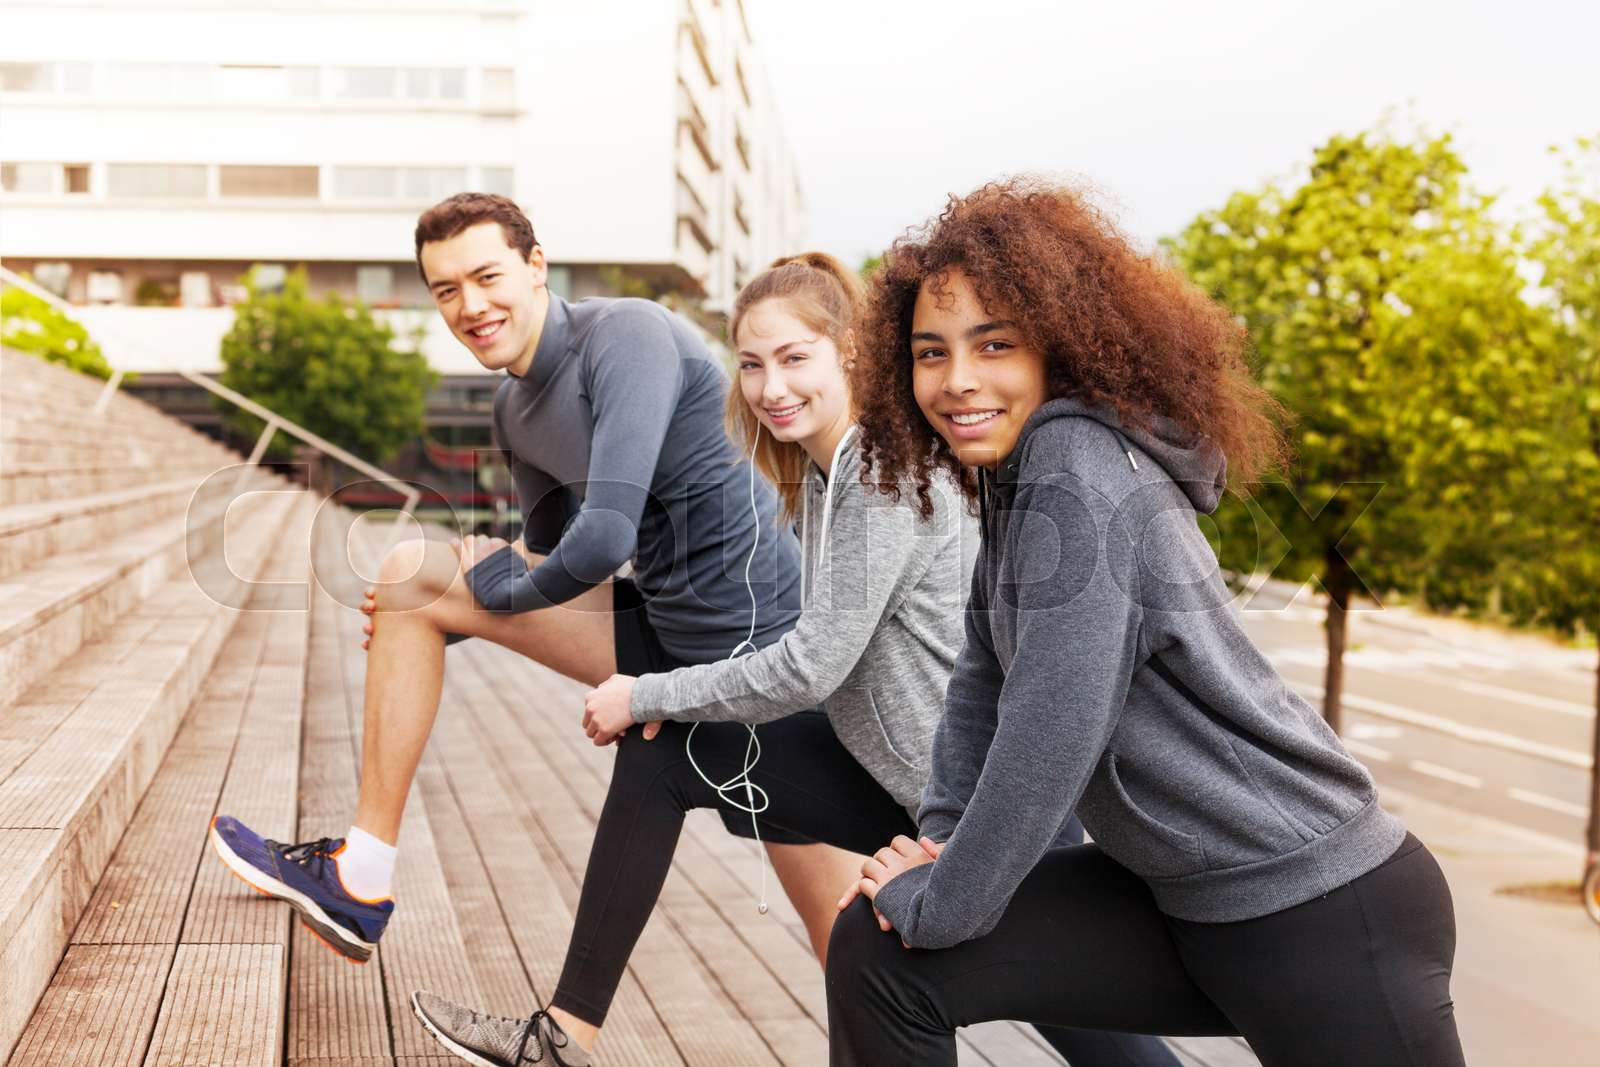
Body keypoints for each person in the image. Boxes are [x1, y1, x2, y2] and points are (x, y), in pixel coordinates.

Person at [409, 253, 1182, 1067]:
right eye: (751, 365)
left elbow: (811, 665)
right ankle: (564, 1036)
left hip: (979, 801)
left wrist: (648, 691)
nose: (771, 387)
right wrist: (472, 619)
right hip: (895, 776)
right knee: (669, 760)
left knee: (1097, 1038)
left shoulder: (885, 473)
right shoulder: (825, 475)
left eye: (793, 358)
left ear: (846, 352)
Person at [824, 178, 1466, 1067]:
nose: (957, 379)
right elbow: (982, 679)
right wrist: (942, 841)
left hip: (1319, 908)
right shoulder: (1012, 480)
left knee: (906, 930)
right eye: (931, 353)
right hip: (1184, 903)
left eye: (994, 344)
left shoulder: (1075, 462)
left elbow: (1054, 721)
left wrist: (948, 898)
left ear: (1059, 347)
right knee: (880, 950)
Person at [206, 193, 860, 970]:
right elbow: (548, 548)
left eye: (486, 276)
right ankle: (361, 874)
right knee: (414, 574)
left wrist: (487, 593)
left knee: (853, 948)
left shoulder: (628, 336)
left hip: (759, 656)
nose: (471, 305)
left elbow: (604, 535)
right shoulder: (513, 408)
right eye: (446, 290)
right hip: (661, 631)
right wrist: (440, 602)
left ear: (536, 265)